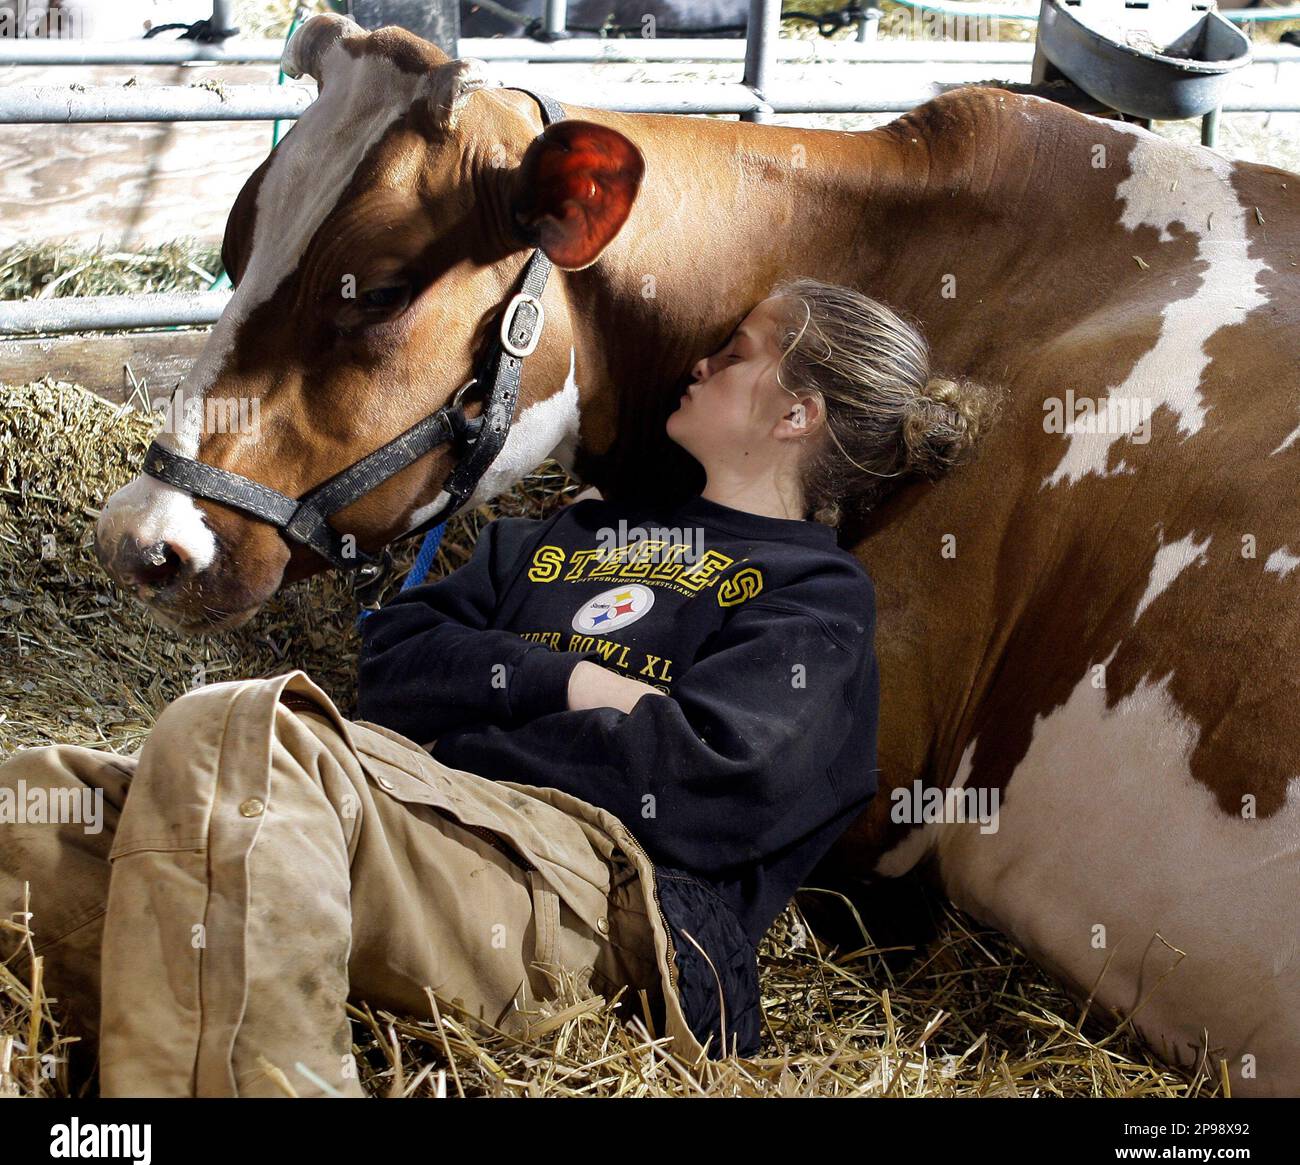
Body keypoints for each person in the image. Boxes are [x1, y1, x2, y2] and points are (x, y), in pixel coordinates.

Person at [0, 277, 996, 1097]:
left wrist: (479, 715)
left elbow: (705, 779)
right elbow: (392, 661)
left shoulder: (814, 597)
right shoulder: (572, 534)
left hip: (607, 901)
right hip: (410, 813)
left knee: (234, 732)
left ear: (795, 412)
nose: (700, 362)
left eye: (734, 353)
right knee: (31, 806)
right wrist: (577, 685)